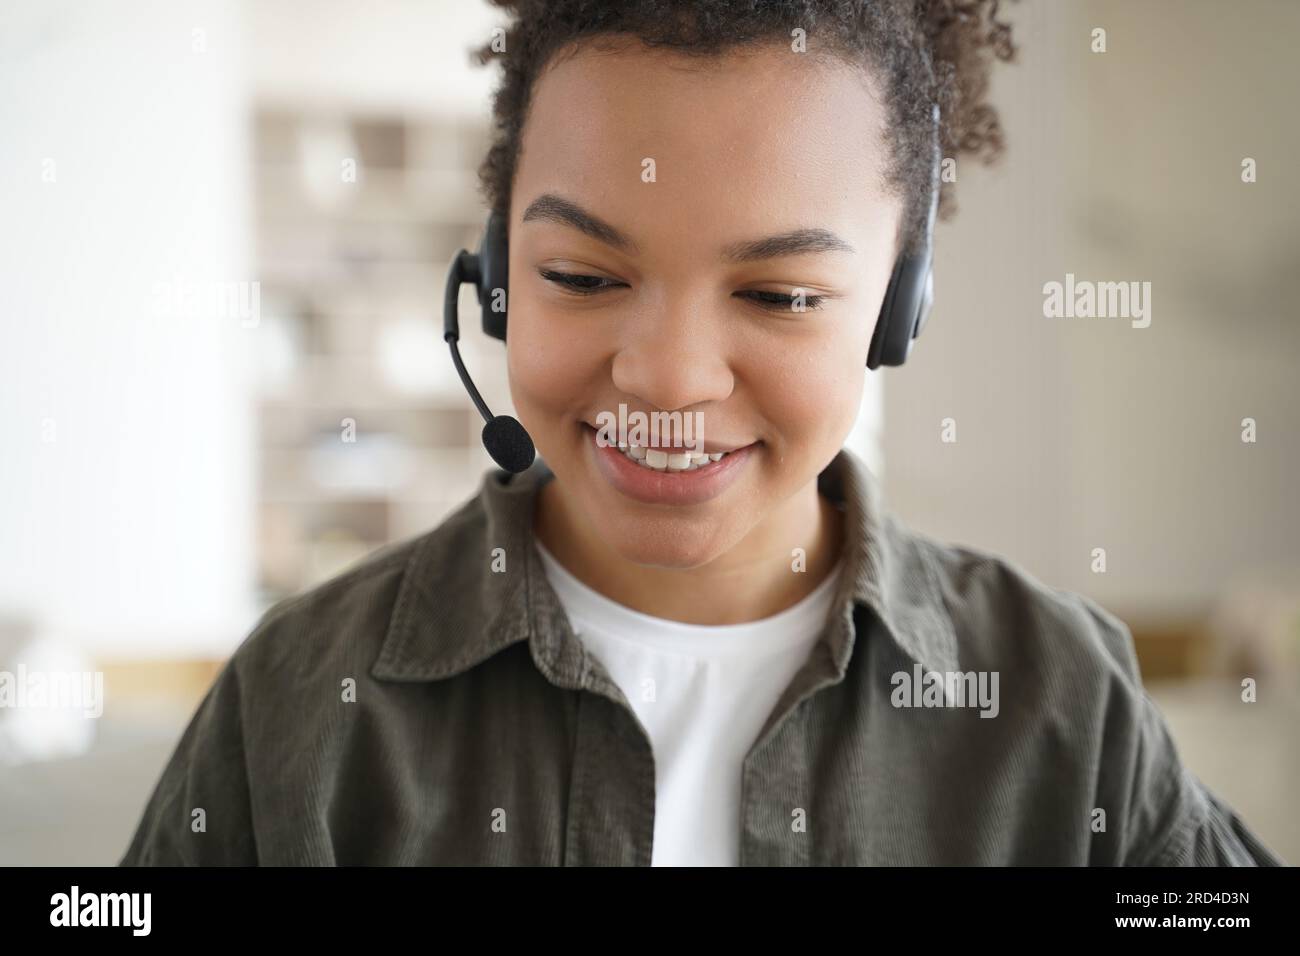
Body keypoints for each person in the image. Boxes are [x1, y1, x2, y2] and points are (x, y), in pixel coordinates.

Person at [120, 0, 1282, 866]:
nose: (666, 374)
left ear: (896, 308)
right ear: (492, 280)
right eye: (579, 273)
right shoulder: (301, 700)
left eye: (777, 295)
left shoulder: (1061, 705)